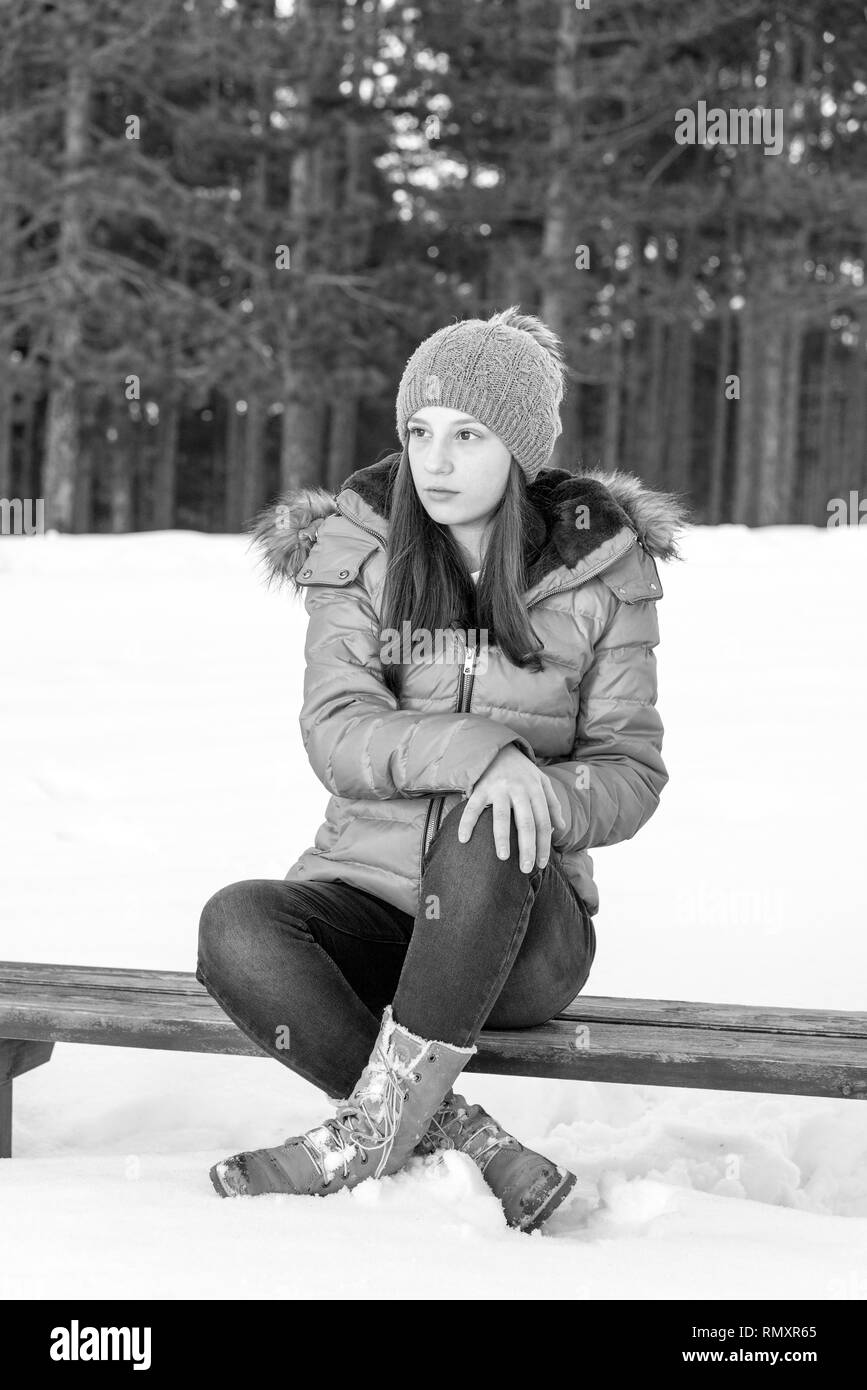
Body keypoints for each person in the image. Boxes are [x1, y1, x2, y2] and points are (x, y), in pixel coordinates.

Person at [196, 307, 688, 1232]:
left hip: (522, 942)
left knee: (487, 821)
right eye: (418, 432)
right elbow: (338, 732)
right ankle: (462, 1137)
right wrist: (484, 753)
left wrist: (534, 792)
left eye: (467, 435)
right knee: (237, 924)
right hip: (372, 903)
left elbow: (628, 769)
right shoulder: (360, 553)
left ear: (520, 451)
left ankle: (357, 1143)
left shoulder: (601, 575)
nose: (434, 461)